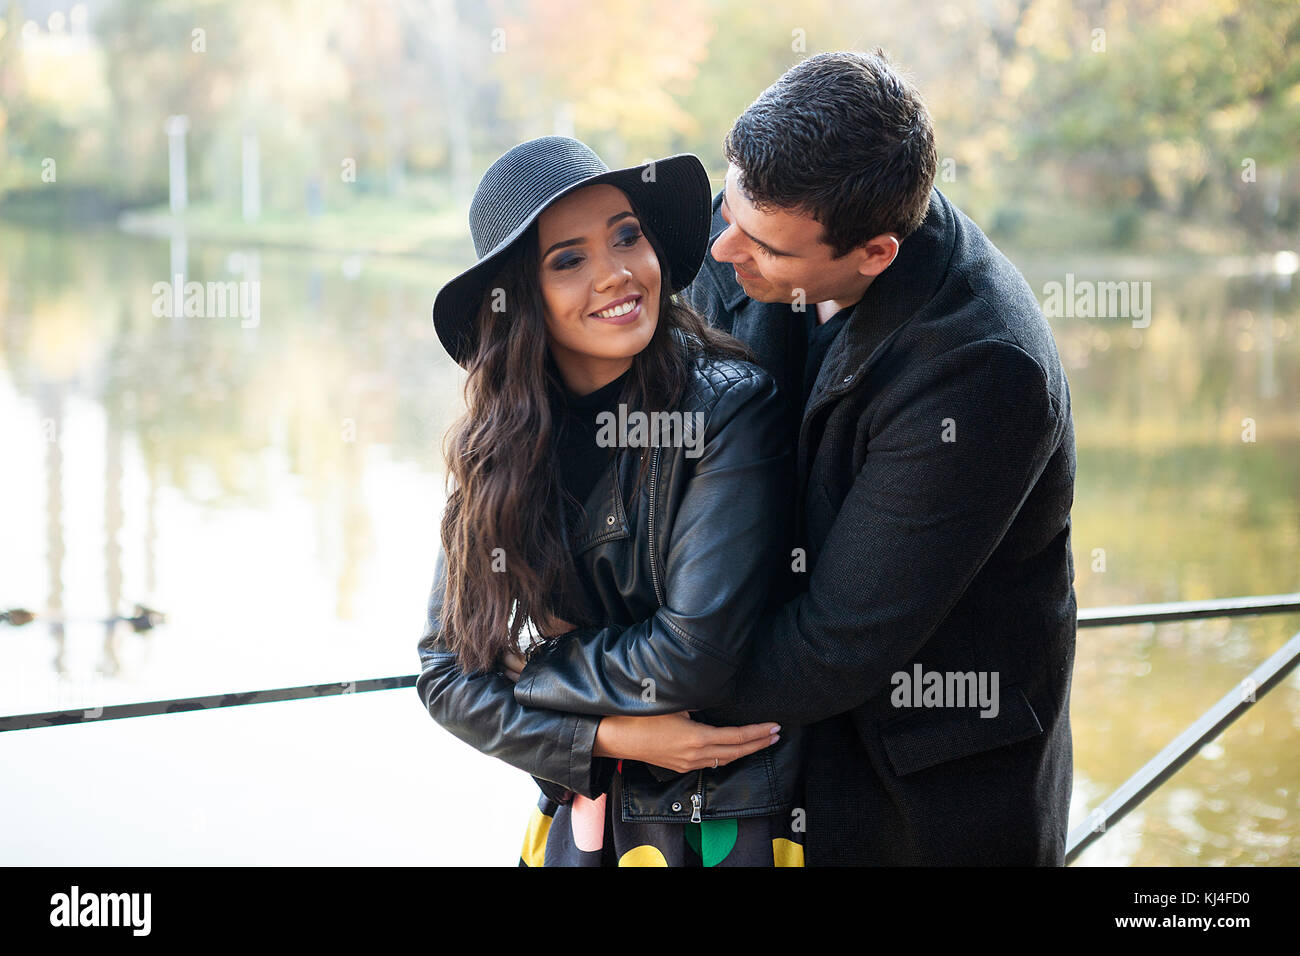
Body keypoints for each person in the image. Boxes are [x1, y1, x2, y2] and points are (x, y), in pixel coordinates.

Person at [512, 51, 1079, 865]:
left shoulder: (984, 370)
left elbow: (829, 647)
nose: (718, 253)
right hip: (749, 774)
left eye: (765, 249)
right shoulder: (749, 225)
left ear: (874, 254)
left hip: (914, 798)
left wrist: (584, 692)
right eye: (729, 208)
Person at [415, 136, 806, 867]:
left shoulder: (726, 411)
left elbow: (691, 658)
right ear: (520, 298)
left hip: (713, 814)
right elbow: (443, 675)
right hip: (583, 811)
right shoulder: (495, 444)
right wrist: (603, 736)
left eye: (627, 236)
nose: (617, 273)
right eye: (569, 260)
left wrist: (527, 667)